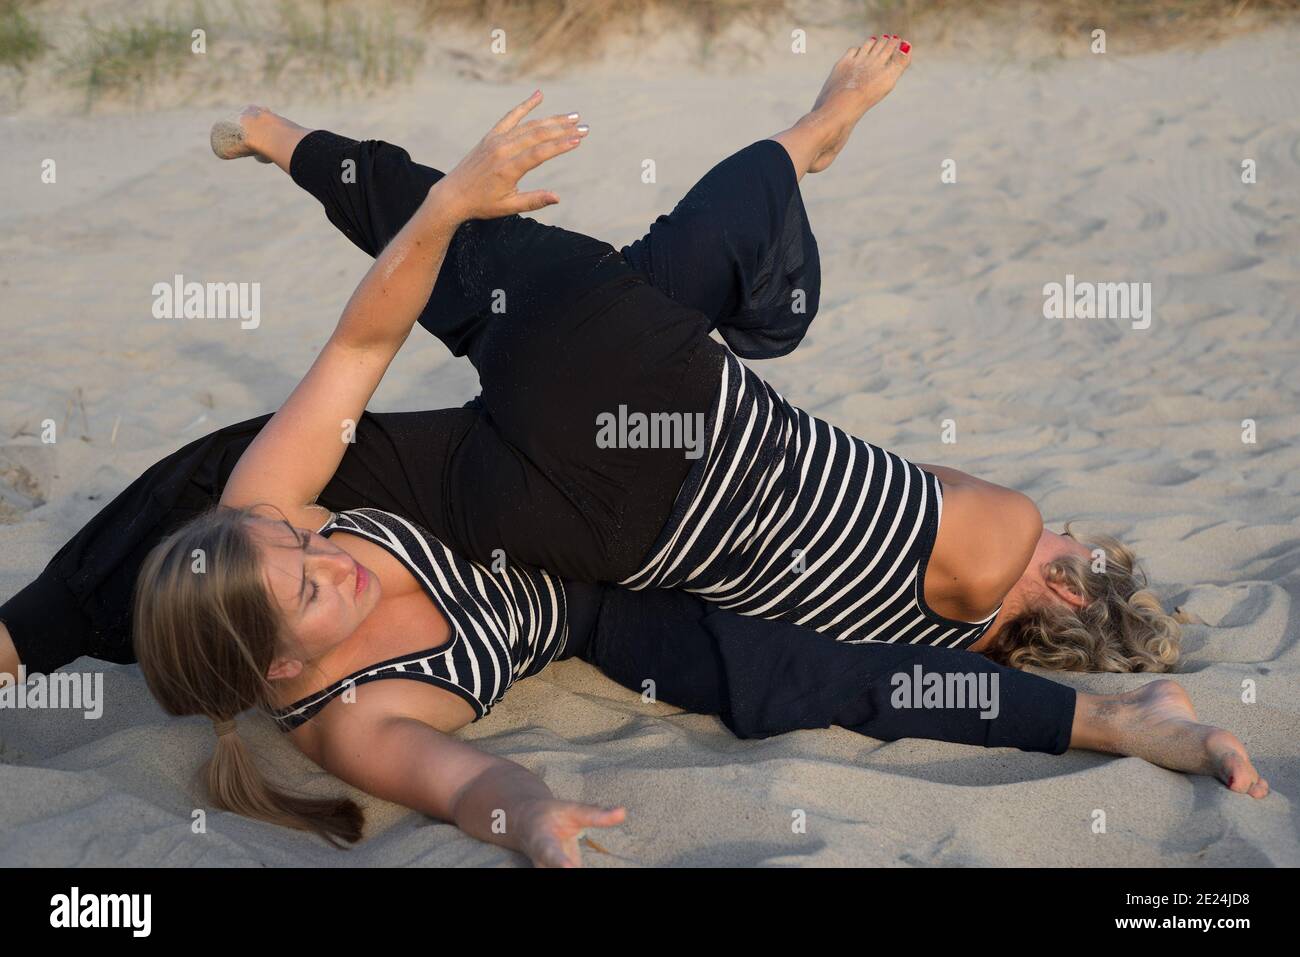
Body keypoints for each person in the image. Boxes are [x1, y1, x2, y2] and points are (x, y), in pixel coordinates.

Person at [0, 37, 1268, 867]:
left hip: (598, 493)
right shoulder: (350, 722)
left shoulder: (283, 525)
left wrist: (447, 206)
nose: (326, 535)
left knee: (502, 301)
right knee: (791, 668)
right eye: (310, 566)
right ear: (284, 661)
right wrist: (534, 821)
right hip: (609, 569)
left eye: (301, 529)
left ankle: (303, 148)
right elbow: (462, 784)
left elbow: (359, 342)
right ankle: (1114, 720)